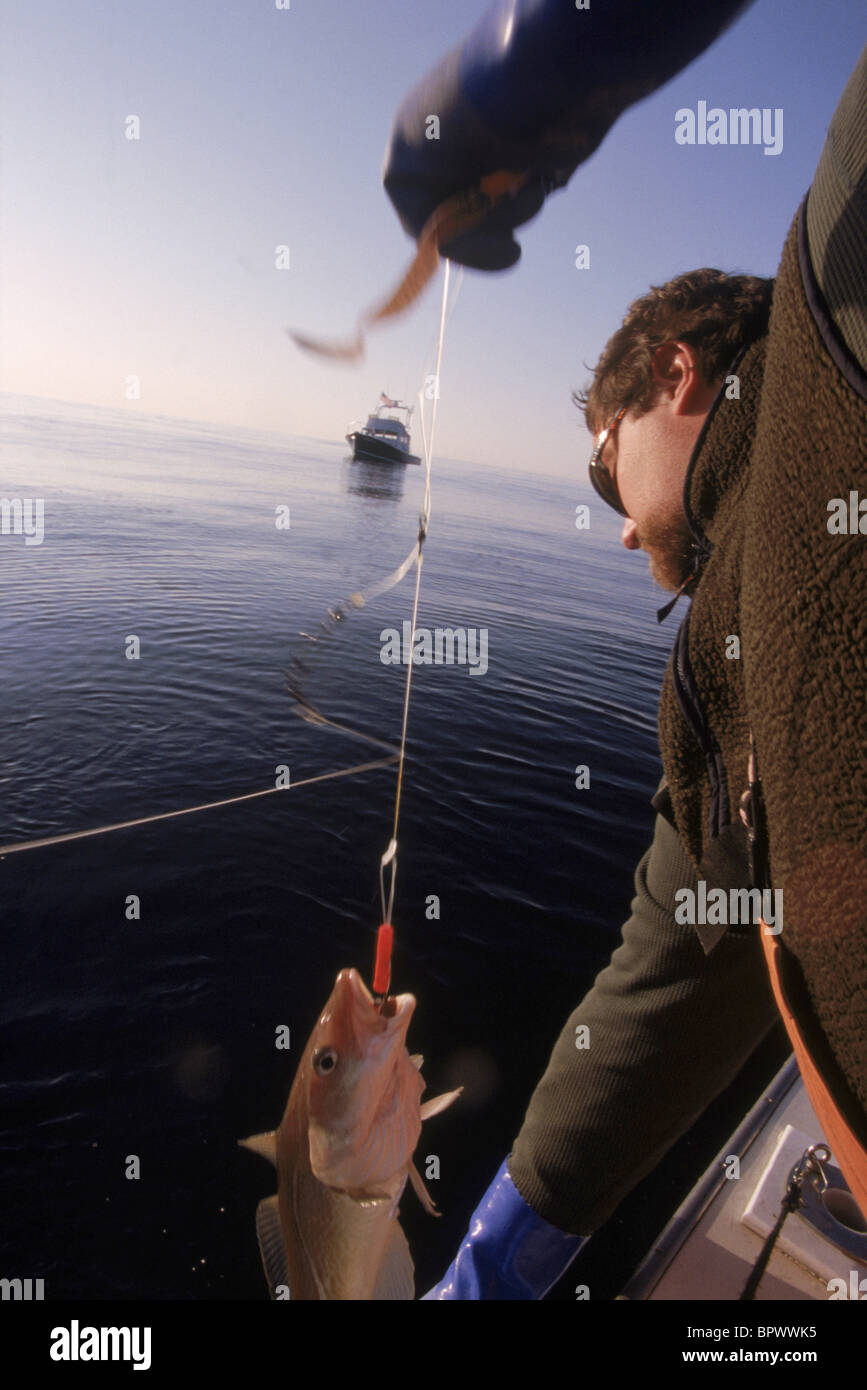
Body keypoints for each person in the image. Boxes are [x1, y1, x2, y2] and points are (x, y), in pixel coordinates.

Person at [383, 0, 867, 1298]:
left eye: (605, 475)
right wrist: (495, 1267)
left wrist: (536, 70)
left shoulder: (839, 332)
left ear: (674, 374)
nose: (613, 533)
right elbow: (685, 956)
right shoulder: (729, 661)